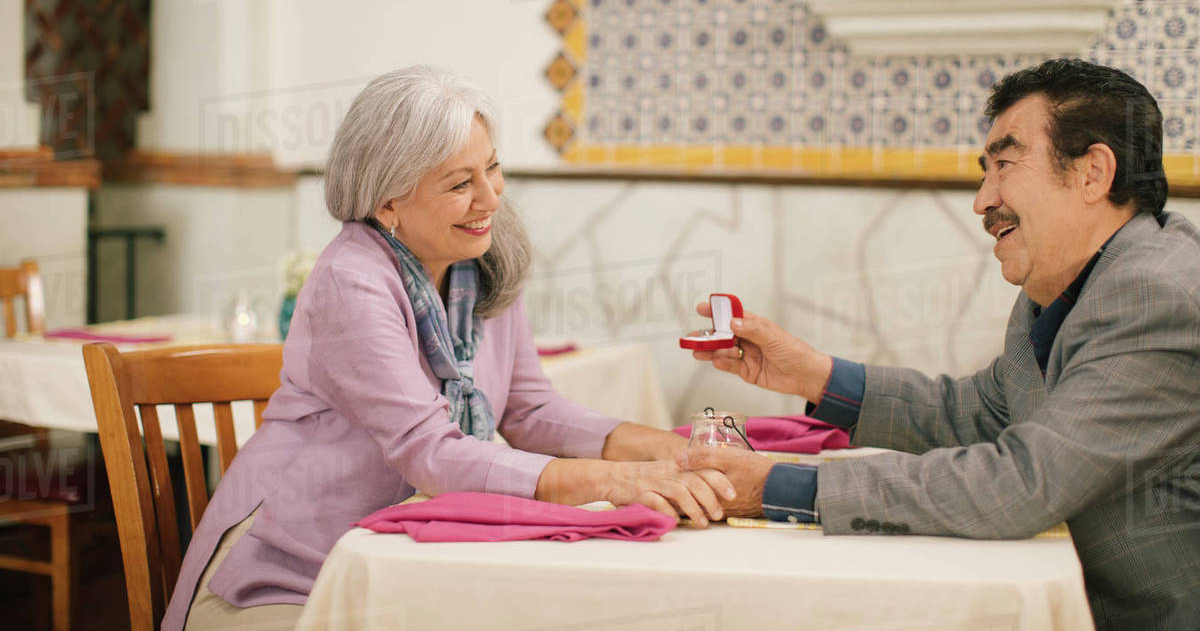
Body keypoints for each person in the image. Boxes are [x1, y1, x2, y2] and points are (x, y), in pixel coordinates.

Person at [166, 66, 733, 631]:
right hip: (293, 571)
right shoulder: (352, 279)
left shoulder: (481, 260)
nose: (490, 198)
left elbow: (530, 411)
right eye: (460, 184)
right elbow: (430, 452)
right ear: (388, 203)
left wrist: (674, 453)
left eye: (492, 168)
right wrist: (613, 480)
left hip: (410, 560)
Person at [680, 59, 1200, 631]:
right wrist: (813, 375)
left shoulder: (1156, 295)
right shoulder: (1073, 281)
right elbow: (981, 410)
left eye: (1004, 165)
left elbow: (1023, 480)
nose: (982, 201)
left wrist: (777, 487)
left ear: (1092, 173)